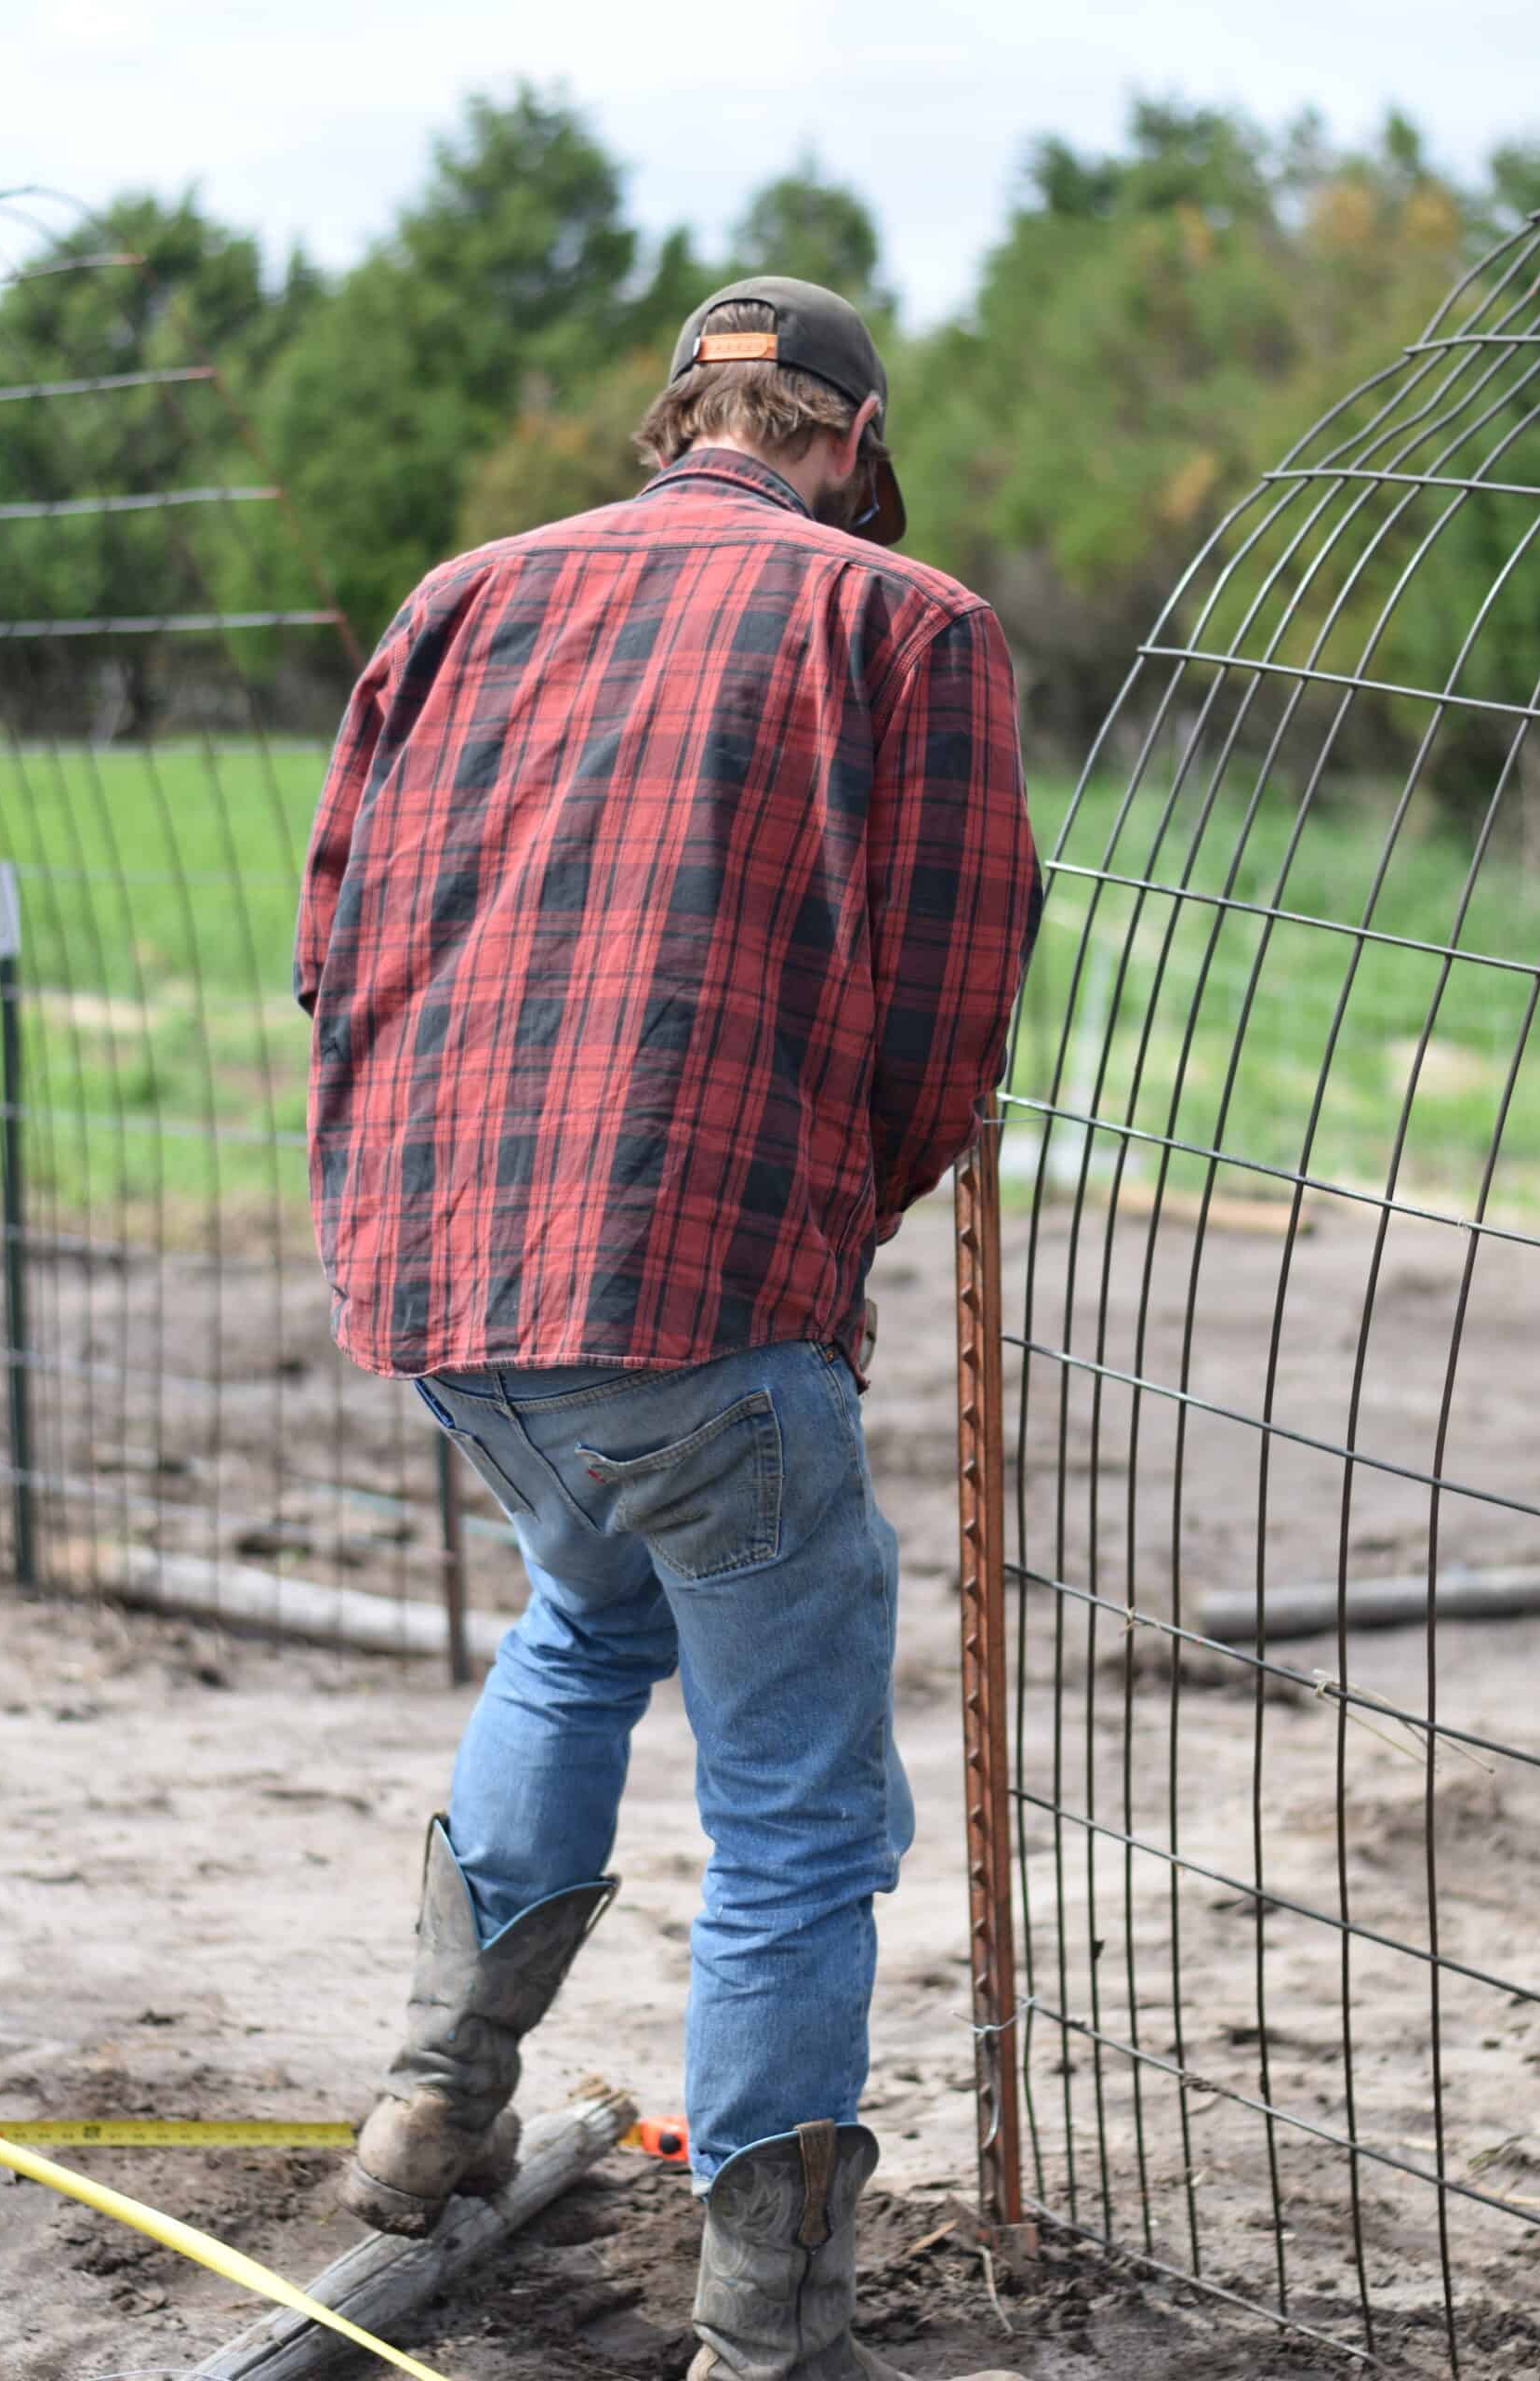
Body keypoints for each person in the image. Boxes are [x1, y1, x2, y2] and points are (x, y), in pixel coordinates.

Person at [295, 273, 1042, 2380]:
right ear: (849, 441)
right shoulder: (901, 626)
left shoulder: (459, 595)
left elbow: (331, 938)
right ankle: (768, 2323)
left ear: (673, 419)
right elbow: (941, 1014)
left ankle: (434, 2096)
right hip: (705, 1293)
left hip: (457, 1289)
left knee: (580, 1619)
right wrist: (831, 1242)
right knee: (799, 1803)